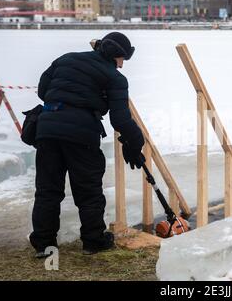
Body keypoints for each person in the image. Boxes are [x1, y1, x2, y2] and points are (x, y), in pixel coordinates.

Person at [29, 32, 145, 257]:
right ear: (116, 56)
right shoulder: (115, 78)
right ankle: (94, 241)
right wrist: (136, 143)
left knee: (47, 191)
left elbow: (43, 91)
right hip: (82, 135)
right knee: (89, 191)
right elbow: (120, 120)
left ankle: (44, 245)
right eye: (123, 59)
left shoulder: (66, 58)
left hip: (47, 130)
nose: (122, 65)